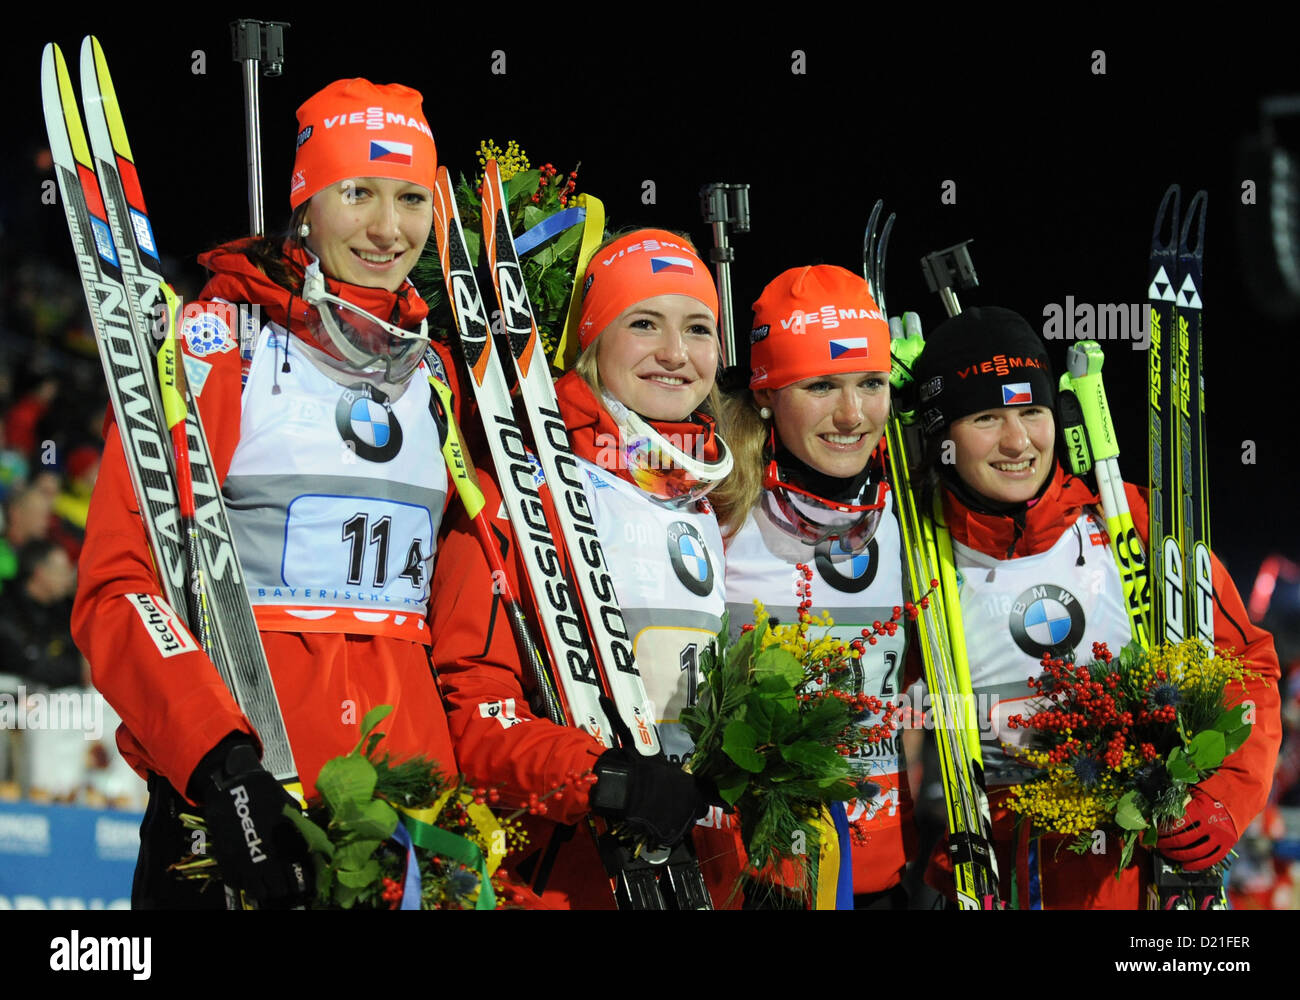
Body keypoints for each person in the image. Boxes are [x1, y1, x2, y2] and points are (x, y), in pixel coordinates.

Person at [71, 78, 459, 908]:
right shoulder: (217, 345)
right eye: (357, 193)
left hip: (408, 821)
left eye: (411, 198)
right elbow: (120, 588)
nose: (389, 228)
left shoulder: (439, 379)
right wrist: (220, 758)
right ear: (306, 204)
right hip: (242, 805)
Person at [908, 306, 1281, 908]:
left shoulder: (1129, 519)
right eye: (985, 417)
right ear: (940, 436)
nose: (1018, 441)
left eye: (1032, 411)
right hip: (1000, 874)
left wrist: (1224, 801)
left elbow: (1245, 667)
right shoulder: (916, 551)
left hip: (1138, 879)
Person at [431, 228, 740, 908]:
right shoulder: (516, 490)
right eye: (643, 324)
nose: (674, 354)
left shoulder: (703, 502)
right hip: (560, 875)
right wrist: (605, 781)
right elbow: (475, 709)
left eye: (697, 328)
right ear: (592, 342)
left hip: (691, 874)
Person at [712, 265, 914, 908]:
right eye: (822, 385)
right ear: (768, 392)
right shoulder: (715, 506)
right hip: (753, 876)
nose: (852, 414)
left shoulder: (916, 513)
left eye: (870, 384)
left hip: (890, 877)